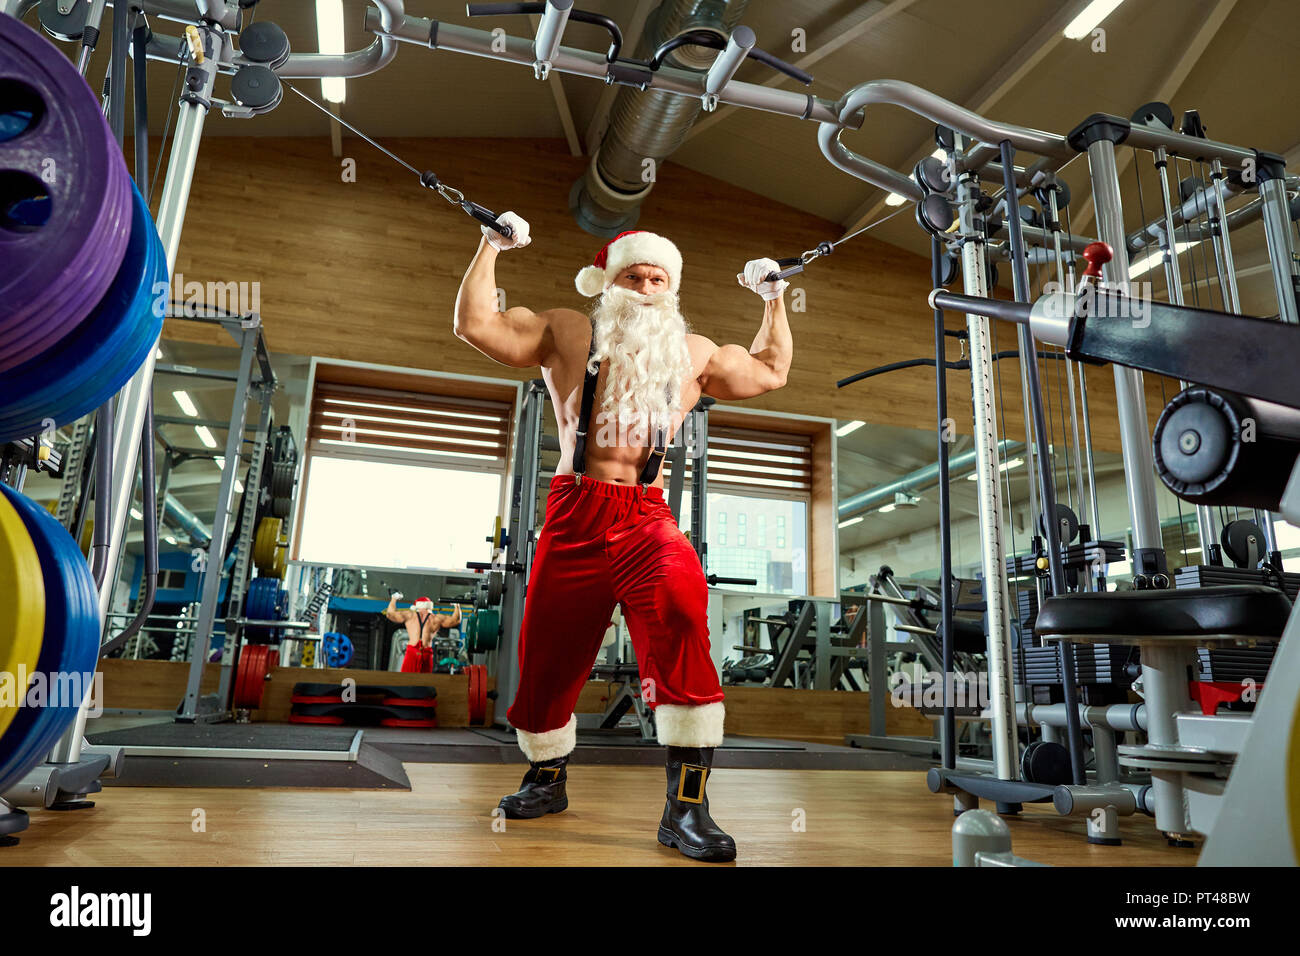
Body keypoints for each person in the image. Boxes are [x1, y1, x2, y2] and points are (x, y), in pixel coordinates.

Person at [454, 215, 792, 862]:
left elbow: (772, 371)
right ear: (608, 283)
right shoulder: (568, 330)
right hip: (576, 509)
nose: (644, 286)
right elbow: (476, 324)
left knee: (681, 604)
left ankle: (686, 806)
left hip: (646, 513)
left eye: (656, 278)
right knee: (548, 650)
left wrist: (774, 298)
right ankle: (546, 777)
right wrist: (490, 247)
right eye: (632, 275)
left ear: (672, 290)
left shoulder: (694, 353)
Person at [384, 593, 461, 673]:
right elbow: (456, 620)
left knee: (406, 681)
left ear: (416, 606)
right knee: (425, 682)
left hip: (412, 652)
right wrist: (456, 605)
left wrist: (394, 598)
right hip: (426, 653)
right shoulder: (436, 618)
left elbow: (390, 614)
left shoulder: (410, 615)